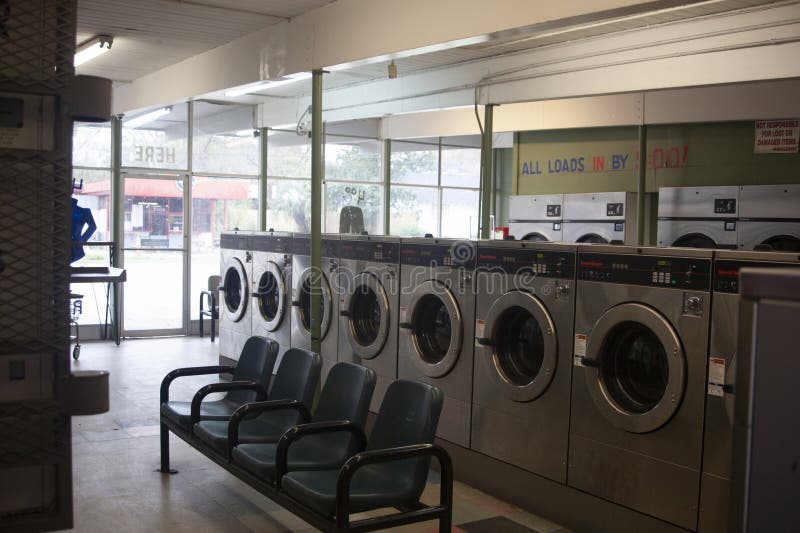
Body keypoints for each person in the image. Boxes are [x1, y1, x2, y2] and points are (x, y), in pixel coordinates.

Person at [71, 198, 97, 263]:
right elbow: (93, 227)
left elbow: (93, 227)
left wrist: (82, 239)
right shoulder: (84, 212)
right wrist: (81, 239)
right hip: (75, 245)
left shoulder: (84, 212)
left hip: (74, 246)